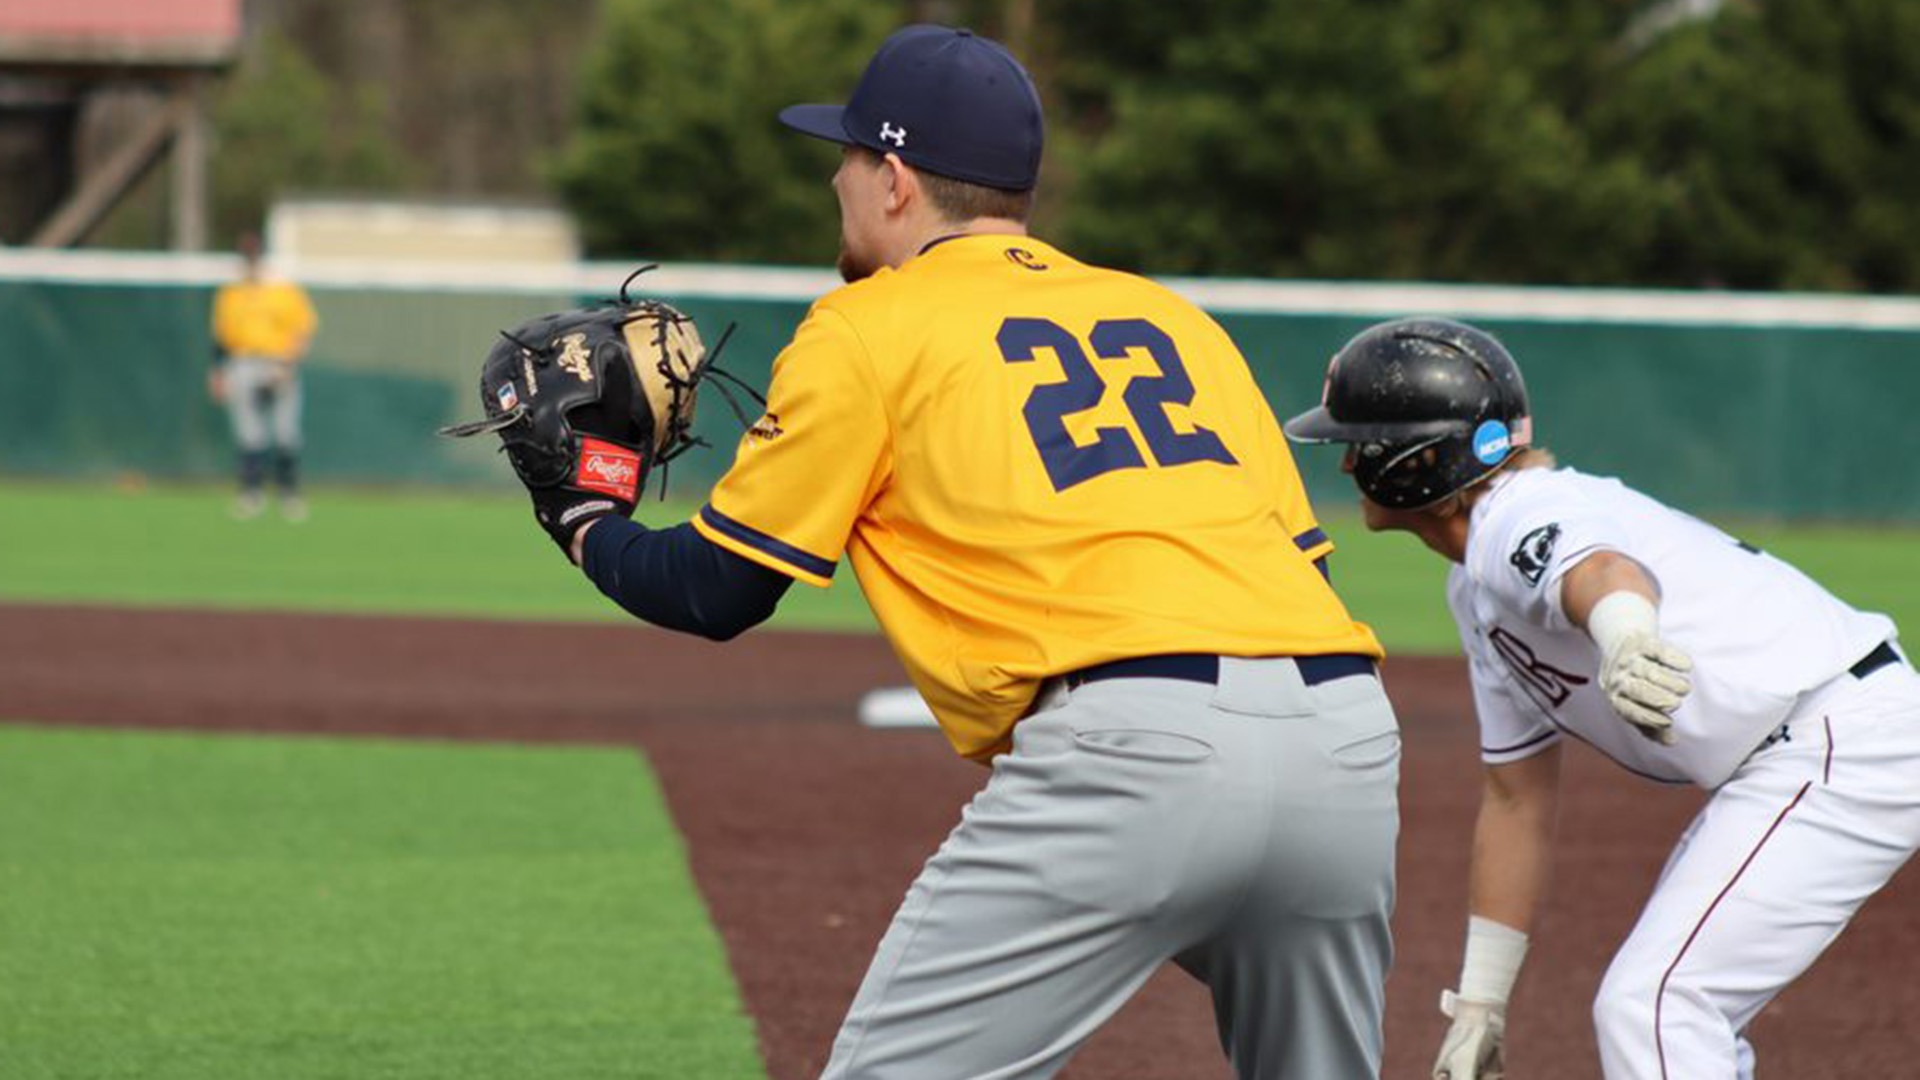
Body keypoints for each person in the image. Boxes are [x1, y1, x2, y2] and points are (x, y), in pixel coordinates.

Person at [544, 24, 1400, 1080]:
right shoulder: (1176, 320)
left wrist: (580, 513)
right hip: (1343, 740)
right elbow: (1305, 569)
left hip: (1133, 754)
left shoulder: (866, 326)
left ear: (894, 180)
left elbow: (717, 589)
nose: (837, 179)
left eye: (848, 154)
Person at [1282, 317, 1920, 1080]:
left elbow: (1601, 571)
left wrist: (1625, 635)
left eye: (1362, 443)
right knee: (1665, 1003)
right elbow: (1516, 799)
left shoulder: (1517, 512)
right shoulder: (1477, 586)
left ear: (1416, 462)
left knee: (1657, 1004)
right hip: (1809, 750)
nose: (1346, 461)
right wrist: (1482, 1002)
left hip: (1841, 741)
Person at [209, 231, 318, 521]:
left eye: (254, 255)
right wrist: (218, 372)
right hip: (242, 363)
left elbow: (302, 331)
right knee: (249, 432)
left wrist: (286, 366)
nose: (250, 262)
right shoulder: (231, 292)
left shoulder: (284, 290)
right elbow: (220, 337)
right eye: (246, 256)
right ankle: (251, 493)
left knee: (286, 432)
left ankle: (289, 494)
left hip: (278, 363)